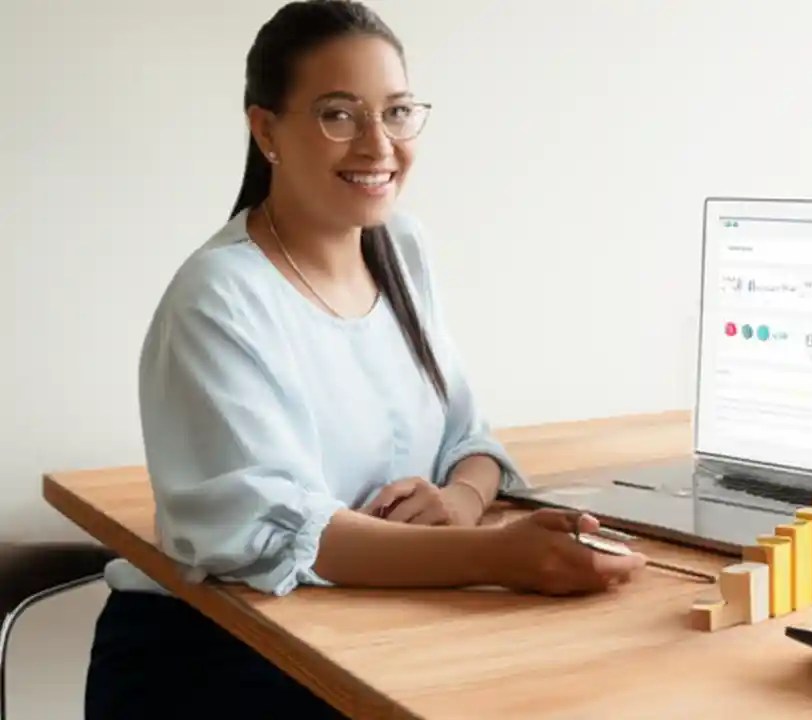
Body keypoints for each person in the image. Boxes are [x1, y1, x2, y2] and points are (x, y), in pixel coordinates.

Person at [83, 1, 647, 717]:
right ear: (266, 130)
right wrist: (496, 555)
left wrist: (460, 503)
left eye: (397, 112)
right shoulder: (219, 297)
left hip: (366, 631)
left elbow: (469, 441)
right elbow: (275, 536)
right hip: (214, 658)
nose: (378, 145)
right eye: (338, 115)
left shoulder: (401, 248)